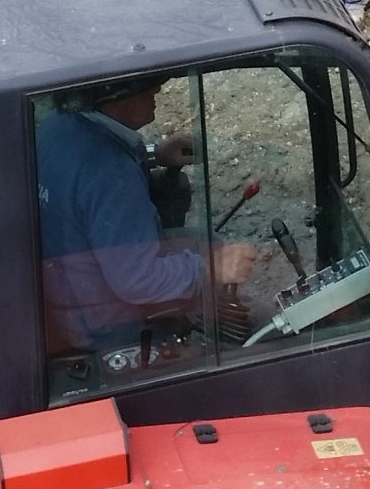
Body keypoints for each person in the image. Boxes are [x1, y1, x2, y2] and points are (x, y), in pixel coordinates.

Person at [36, 78, 281, 374]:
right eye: (147, 84)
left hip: (70, 288)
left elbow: (90, 175)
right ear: (114, 94)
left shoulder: (57, 127)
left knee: (207, 242)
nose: (158, 90)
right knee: (262, 339)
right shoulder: (112, 176)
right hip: (106, 326)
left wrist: (154, 154)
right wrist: (209, 268)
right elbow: (138, 281)